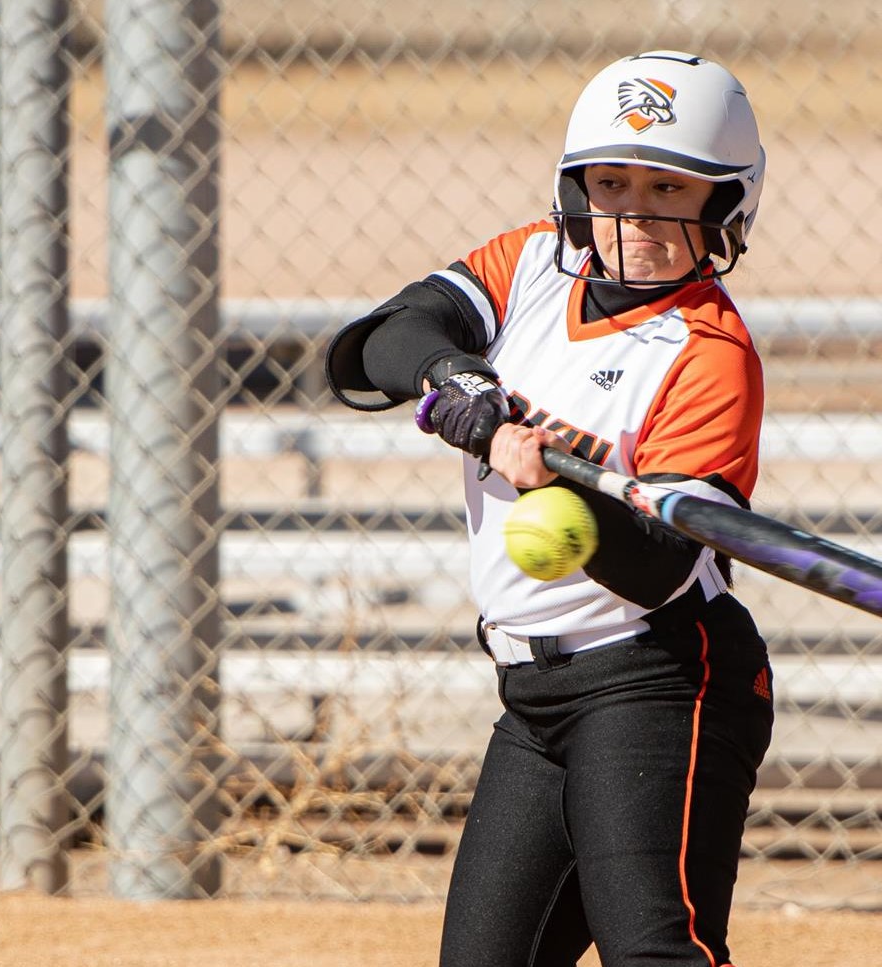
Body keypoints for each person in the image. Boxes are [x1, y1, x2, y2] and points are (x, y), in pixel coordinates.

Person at [326, 51, 774, 967]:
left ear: (724, 206)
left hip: (660, 680)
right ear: (576, 190)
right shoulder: (532, 262)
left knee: (655, 949)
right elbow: (385, 339)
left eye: (669, 188)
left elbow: (654, 564)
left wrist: (554, 484)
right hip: (532, 695)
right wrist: (461, 387)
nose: (636, 214)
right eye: (611, 183)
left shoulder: (709, 351)